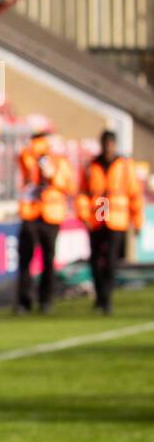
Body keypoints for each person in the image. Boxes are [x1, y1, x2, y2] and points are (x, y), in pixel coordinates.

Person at [77, 129, 144, 315]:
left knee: (111, 261)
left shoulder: (124, 165)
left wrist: (137, 221)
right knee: (96, 259)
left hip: (116, 218)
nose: (108, 147)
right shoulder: (92, 165)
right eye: (105, 143)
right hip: (99, 216)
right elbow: (83, 192)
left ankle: (106, 299)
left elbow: (134, 194)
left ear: (114, 145)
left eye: (110, 144)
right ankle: (100, 297)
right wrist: (84, 215)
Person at [16, 130, 74, 315]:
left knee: (47, 260)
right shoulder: (28, 156)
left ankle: (45, 300)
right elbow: (25, 172)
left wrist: (51, 173)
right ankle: (26, 301)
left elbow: (68, 185)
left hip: (50, 214)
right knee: (27, 258)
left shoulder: (58, 161)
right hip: (31, 212)